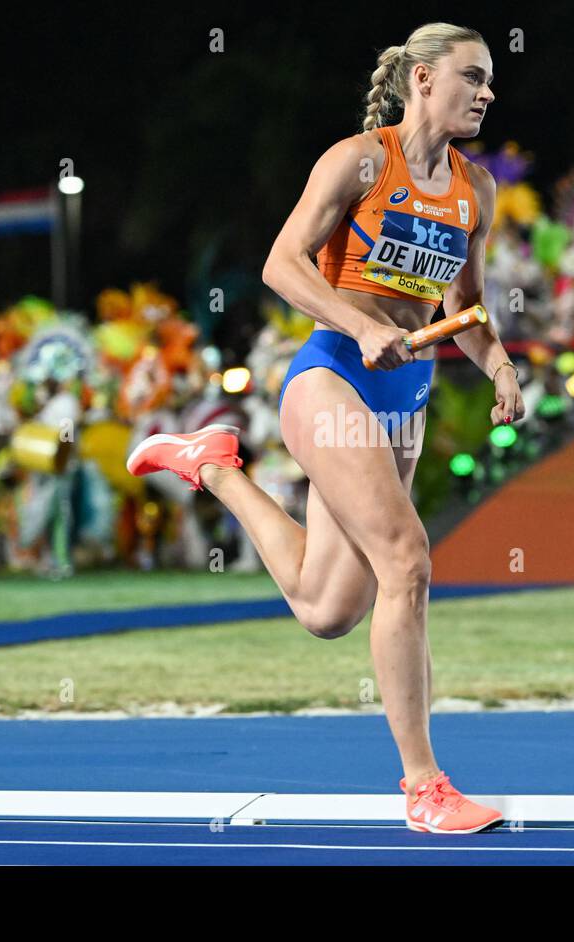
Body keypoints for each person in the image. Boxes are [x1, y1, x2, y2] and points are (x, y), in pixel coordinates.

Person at [127, 23, 523, 833]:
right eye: (471, 77)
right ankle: (424, 787)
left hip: (403, 395)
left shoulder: (475, 189)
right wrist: (360, 323)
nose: (486, 93)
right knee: (407, 561)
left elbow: (465, 309)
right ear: (421, 79)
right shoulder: (359, 162)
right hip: (332, 377)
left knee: (326, 606)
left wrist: (500, 365)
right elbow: (281, 263)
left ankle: (215, 468)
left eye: (490, 82)